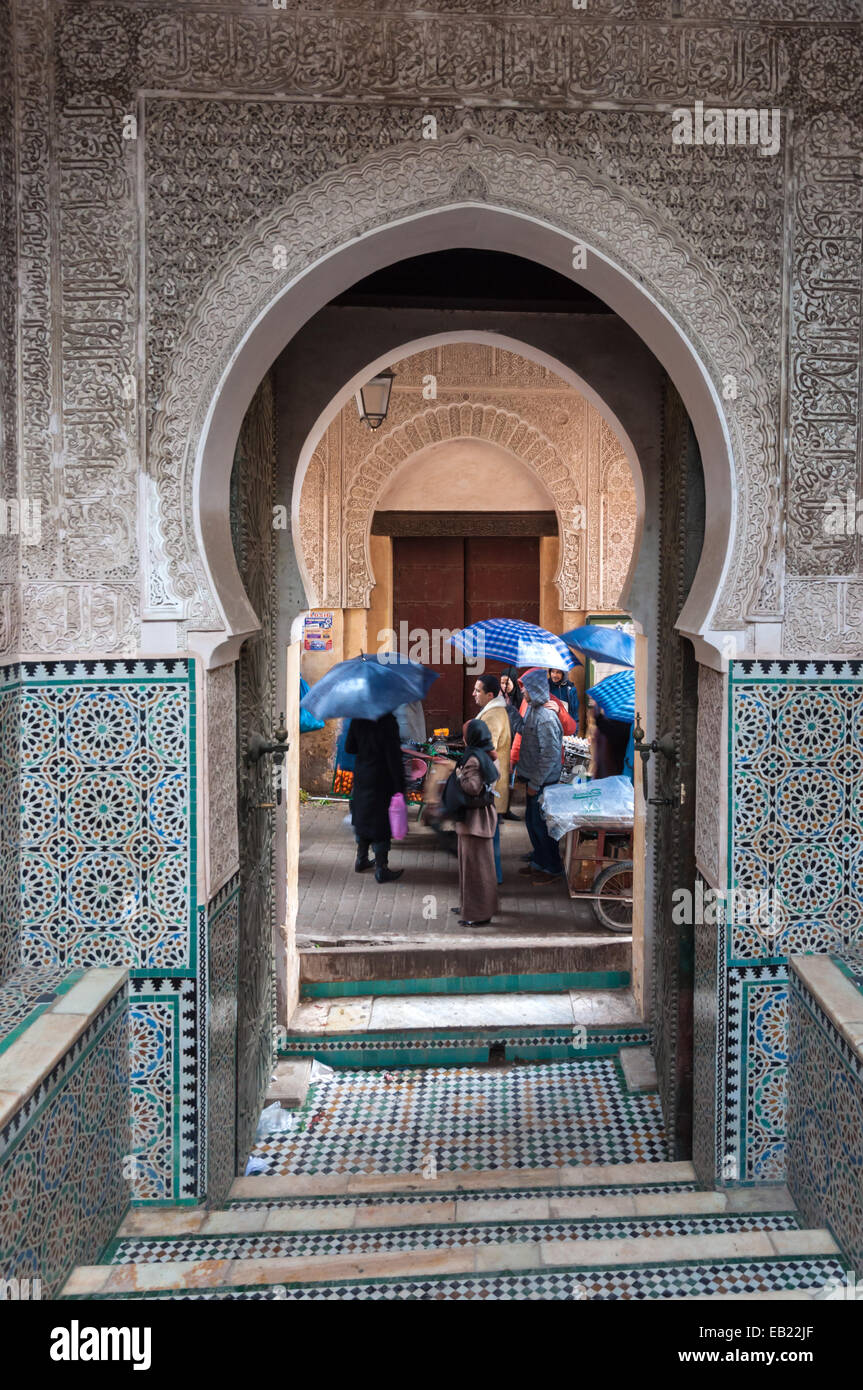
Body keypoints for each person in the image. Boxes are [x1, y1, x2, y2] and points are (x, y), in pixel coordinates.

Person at [516, 669, 564, 884]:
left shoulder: (545, 717)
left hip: (542, 782)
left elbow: (550, 754)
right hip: (532, 778)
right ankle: (539, 861)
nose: (522, 690)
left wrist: (536, 783)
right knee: (532, 822)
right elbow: (525, 733)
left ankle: (552, 867)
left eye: (525, 687)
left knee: (542, 826)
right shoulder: (532, 710)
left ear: (534, 689)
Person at [345, 711, 405, 883]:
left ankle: (361, 859)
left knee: (363, 817)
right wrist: (399, 786)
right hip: (383, 778)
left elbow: (350, 747)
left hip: (363, 775)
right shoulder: (388, 721)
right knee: (381, 822)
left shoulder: (357, 718)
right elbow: (394, 756)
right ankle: (381, 868)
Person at [451, 719, 499, 926]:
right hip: (481, 817)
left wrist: (458, 775)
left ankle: (479, 914)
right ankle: (470, 906)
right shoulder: (488, 754)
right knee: (475, 866)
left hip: (474, 820)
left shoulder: (473, 759)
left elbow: (472, 787)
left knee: (476, 869)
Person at [472, 673, 510, 882]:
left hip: (490, 785)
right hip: (492, 784)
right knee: (490, 832)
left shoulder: (493, 715)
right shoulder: (491, 711)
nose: (474, 694)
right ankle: (492, 876)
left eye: (478, 691)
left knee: (488, 834)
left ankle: (492, 877)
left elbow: (488, 750)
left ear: (490, 695)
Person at [548, 667, 580, 734]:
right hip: (550, 727)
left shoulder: (570, 689)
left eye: (558, 672)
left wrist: (574, 730)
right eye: (552, 672)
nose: (554, 675)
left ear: (564, 674)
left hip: (565, 725)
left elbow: (574, 712)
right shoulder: (546, 686)